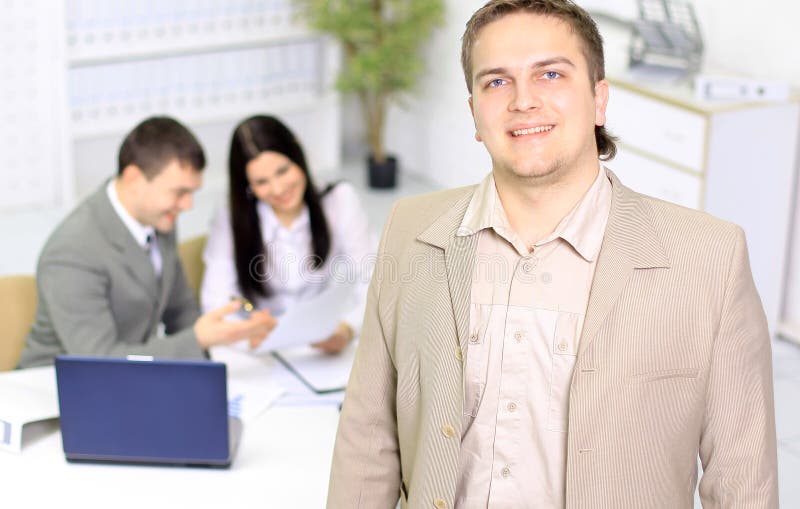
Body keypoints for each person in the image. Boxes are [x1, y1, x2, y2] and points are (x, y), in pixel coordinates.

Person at [327, 1, 778, 507]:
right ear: (474, 112)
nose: (523, 101)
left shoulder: (710, 258)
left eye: (550, 74)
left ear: (598, 99)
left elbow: (743, 480)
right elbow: (367, 439)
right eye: (496, 82)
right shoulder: (410, 230)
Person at [19, 117, 275, 368]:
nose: (188, 205)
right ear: (133, 179)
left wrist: (228, 333)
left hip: (127, 375)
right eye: (179, 192)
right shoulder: (72, 252)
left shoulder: (158, 219)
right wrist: (197, 340)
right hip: (60, 386)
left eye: (191, 193)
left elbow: (181, 311)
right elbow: (99, 359)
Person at [201, 115, 371, 354]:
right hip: (259, 349)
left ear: (298, 155)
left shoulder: (340, 200)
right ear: (247, 185)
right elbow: (215, 301)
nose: (278, 189)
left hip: (322, 343)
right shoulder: (230, 217)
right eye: (261, 182)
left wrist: (348, 329)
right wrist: (248, 334)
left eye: (283, 171)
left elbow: (373, 282)